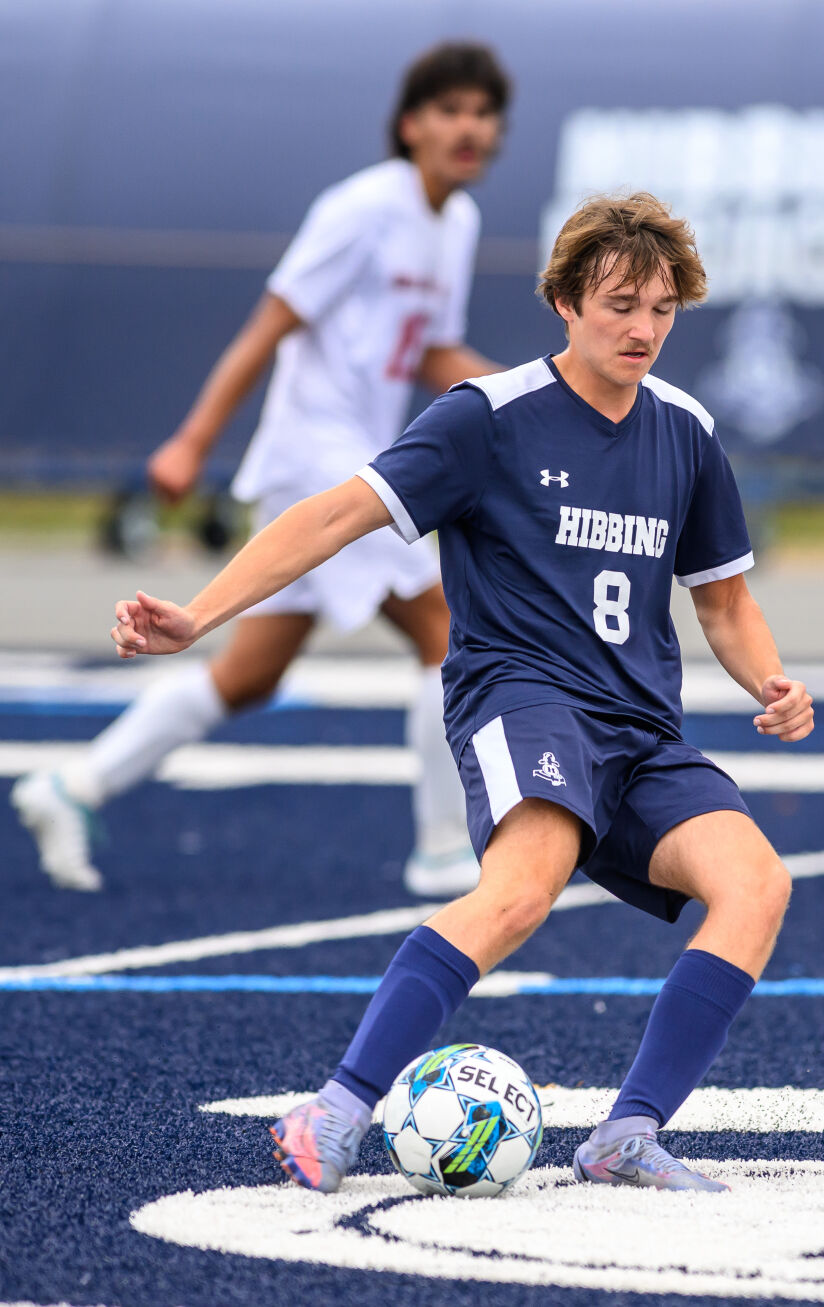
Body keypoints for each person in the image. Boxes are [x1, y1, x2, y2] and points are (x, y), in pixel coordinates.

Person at [109, 192, 813, 1194]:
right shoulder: (488, 416)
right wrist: (201, 613)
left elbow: (727, 601)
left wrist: (771, 679)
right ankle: (337, 1107)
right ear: (567, 300)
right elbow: (334, 514)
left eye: (662, 309)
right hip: (521, 698)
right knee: (525, 885)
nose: (643, 328)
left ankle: (628, 1133)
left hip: (641, 733)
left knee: (758, 885)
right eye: (621, 302)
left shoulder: (688, 433)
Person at [11, 42, 512, 898]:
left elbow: (431, 351)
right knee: (450, 628)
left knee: (249, 674)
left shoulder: (455, 224)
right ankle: (441, 854)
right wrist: (192, 440)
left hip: (354, 461)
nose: (468, 127)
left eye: (482, 112)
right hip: (317, 463)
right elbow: (266, 329)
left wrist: (535, 399)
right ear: (410, 124)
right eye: (450, 110)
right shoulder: (359, 208)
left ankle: (72, 784)